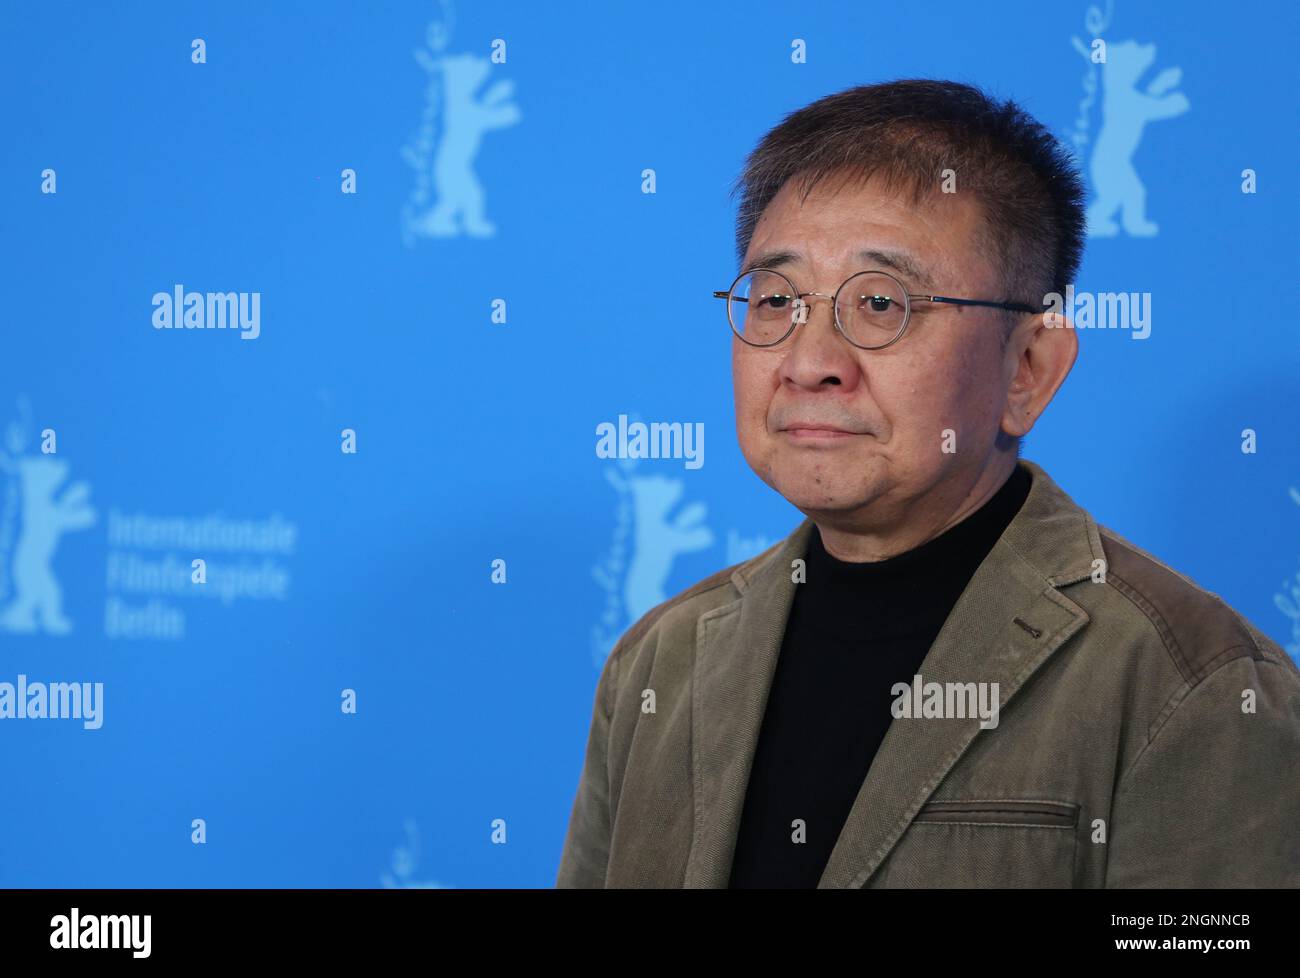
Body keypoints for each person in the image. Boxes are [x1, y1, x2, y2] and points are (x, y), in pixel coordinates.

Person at [556, 79, 1300, 888]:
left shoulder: (1189, 684)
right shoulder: (661, 663)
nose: (810, 363)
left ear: (1028, 368)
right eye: (776, 300)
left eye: (880, 303)